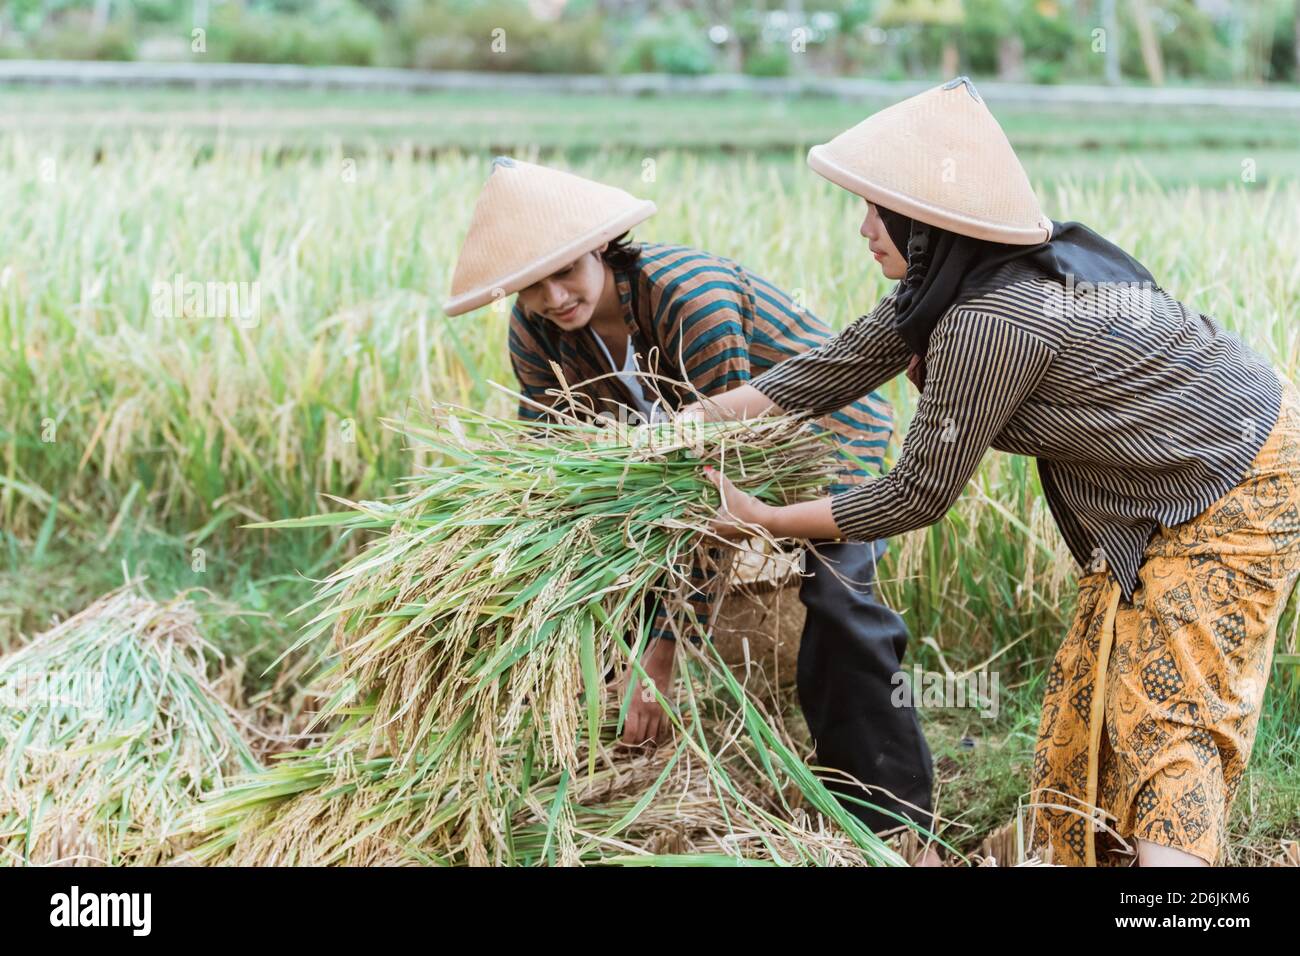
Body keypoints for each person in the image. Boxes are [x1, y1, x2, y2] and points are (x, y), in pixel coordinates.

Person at [691, 76, 1300, 867]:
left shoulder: (991, 318)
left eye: (879, 208)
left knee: (1169, 712)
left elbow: (917, 493)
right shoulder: (942, 288)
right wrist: (665, 434)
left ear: (927, 221)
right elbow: (821, 374)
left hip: (1244, 474)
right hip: (1166, 483)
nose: (862, 227)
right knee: (1103, 686)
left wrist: (766, 521)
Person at [443, 157, 938, 844]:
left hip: (819, 439)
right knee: (601, 573)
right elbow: (556, 475)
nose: (554, 297)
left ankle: (894, 824)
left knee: (836, 599)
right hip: (690, 465)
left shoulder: (687, 298)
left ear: (600, 246)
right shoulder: (536, 333)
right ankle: (616, 771)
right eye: (530, 287)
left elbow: (719, 487)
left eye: (566, 272)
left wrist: (663, 652)